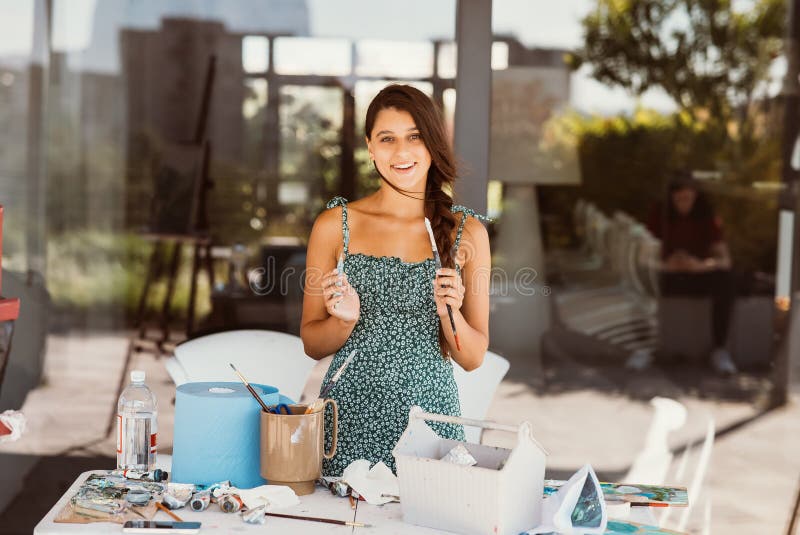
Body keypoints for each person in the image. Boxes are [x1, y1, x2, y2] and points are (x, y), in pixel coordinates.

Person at [300, 84, 491, 476]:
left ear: (432, 145)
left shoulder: (468, 232)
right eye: (387, 139)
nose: (401, 152)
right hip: (348, 422)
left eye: (414, 137)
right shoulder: (335, 226)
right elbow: (311, 344)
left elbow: (472, 358)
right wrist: (343, 321)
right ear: (370, 147)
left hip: (431, 425)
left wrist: (450, 312)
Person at [647, 172, 737, 374]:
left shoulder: (708, 218)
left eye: (687, 198)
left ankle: (720, 349)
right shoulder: (659, 217)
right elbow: (642, 259)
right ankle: (641, 347)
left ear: (696, 197)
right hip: (667, 276)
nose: (683, 204)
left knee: (726, 281)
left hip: (699, 276)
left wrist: (700, 265)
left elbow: (725, 260)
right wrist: (665, 265)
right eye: (678, 199)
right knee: (639, 280)